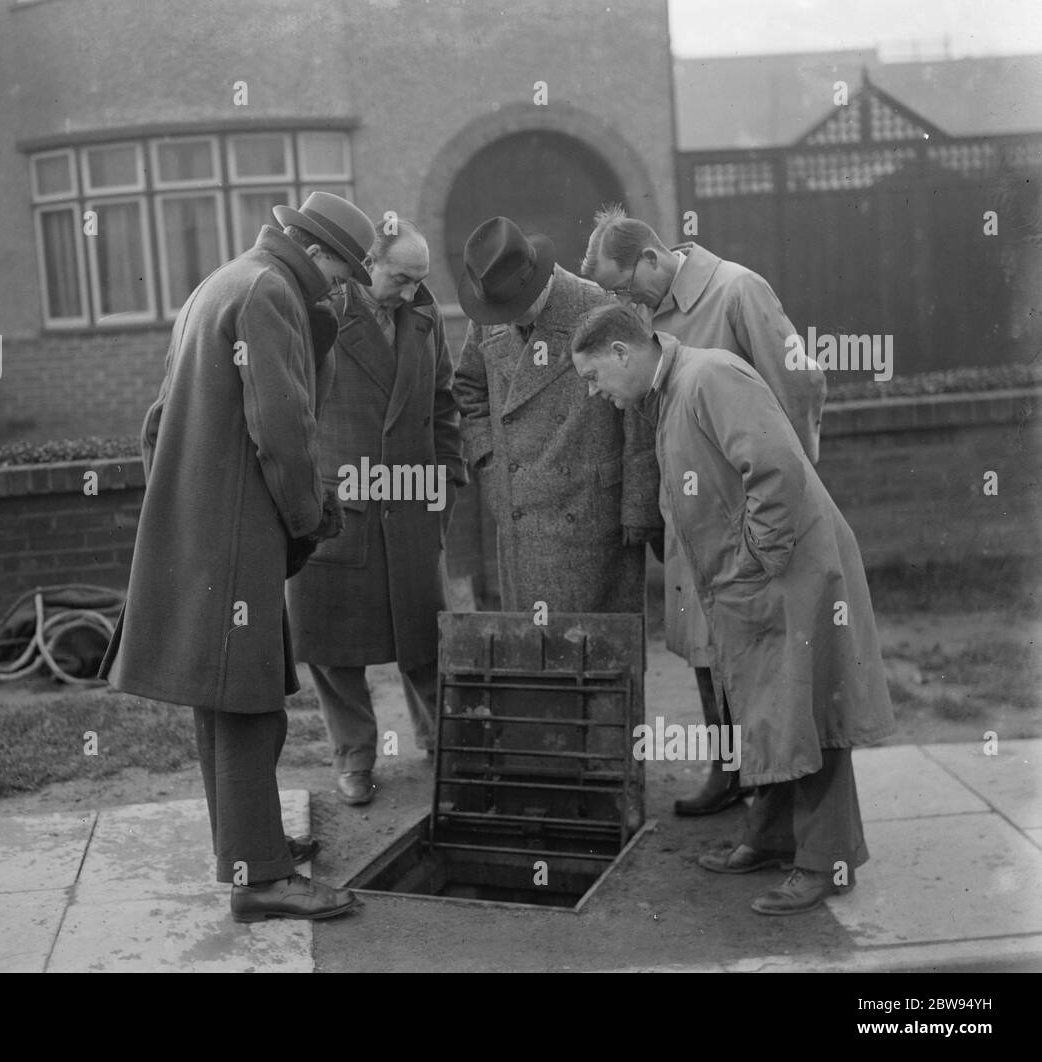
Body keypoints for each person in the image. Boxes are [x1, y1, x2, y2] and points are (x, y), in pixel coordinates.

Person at [99, 192, 376, 924]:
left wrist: (183, 506)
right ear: (314, 253)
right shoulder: (271, 292)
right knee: (251, 708)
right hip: (237, 535)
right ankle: (260, 882)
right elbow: (283, 432)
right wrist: (310, 519)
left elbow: (156, 423)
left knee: (221, 702)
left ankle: (248, 850)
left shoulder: (223, 281)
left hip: (200, 527)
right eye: (342, 273)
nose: (342, 289)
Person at [570, 303, 894, 914]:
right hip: (763, 577)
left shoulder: (708, 375)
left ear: (621, 353)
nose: (594, 393)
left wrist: (751, 563)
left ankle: (829, 862)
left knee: (809, 712)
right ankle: (772, 837)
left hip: (789, 572)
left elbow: (775, 467)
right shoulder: (672, 388)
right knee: (768, 709)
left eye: (593, 377)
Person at [581, 205, 827, 815]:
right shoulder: (641, 311)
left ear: (650, 257)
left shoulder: (738, 289)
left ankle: (772, 789)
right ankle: (729, 771)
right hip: (689, 517)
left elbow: (798, 388)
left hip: (749, 521)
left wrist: (787, 497)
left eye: (622, 284)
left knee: (759, 655)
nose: (621, 299)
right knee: (703, 652)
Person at [286, 220, 465, 806]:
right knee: (336, 648)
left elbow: (442, 404)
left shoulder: (424, 314)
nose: (412, 291)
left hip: (413, 501)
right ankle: (355, 759)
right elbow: (294, 408)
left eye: (420, 280)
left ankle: (445, 747)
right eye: (400, 278)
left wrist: (447, 483)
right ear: (367, 262)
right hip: (343, 504)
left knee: (425, 638)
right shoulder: (321, 313)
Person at [453, 216, 660, 615]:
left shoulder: (599, 306)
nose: (507, 317)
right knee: (534, 655)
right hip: (519, 510)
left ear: (539, 281)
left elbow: (638, 408)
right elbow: (468, 389)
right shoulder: (488, 316)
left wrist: (639, 505)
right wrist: (490, 464)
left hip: (592, 513)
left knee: (597, 653)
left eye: (516, 307)